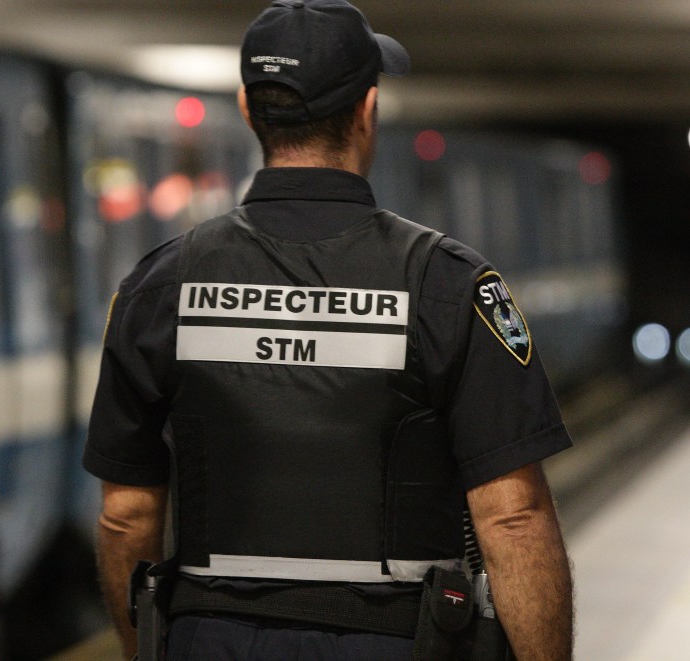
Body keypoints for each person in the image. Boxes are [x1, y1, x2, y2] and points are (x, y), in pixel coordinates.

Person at [83, 0, 574, 659]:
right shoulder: (449, 284)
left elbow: (125, 517)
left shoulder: (160, 286)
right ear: (367, 111)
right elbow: (512, 518)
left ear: (249, 109)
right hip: (403, 639)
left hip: (214, 641)